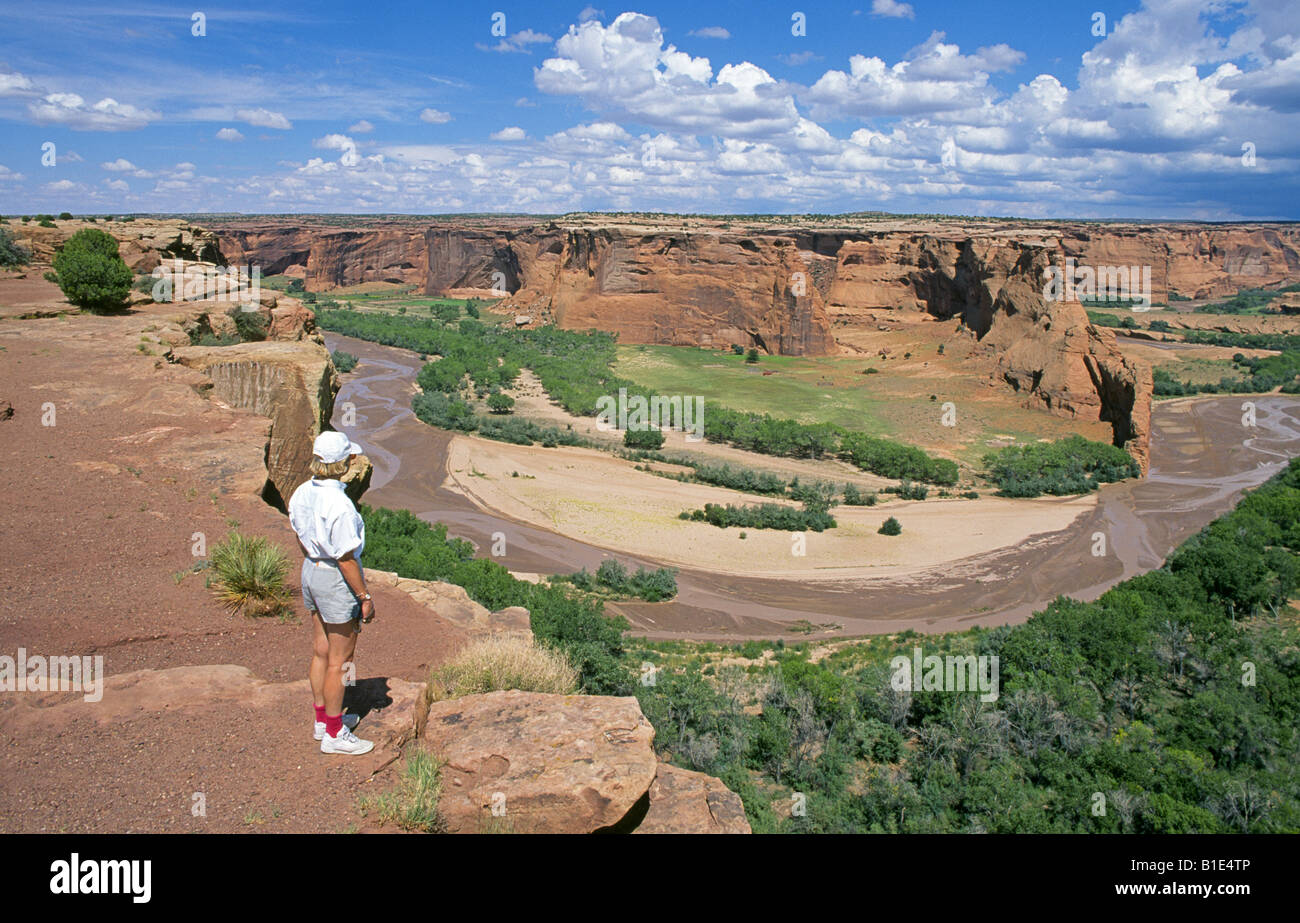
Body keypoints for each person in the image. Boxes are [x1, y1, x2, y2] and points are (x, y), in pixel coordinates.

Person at [288, 430, 376, 755]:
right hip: (335, 578)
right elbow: (346, 557)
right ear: (344, 462)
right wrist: (364, 597)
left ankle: (323, 721)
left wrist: (314, 558)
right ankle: (335, 735)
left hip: (311, 569)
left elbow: (298, 532)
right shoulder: (339, 503)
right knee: (340, 661)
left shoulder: (301, 492)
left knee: (320, 651)